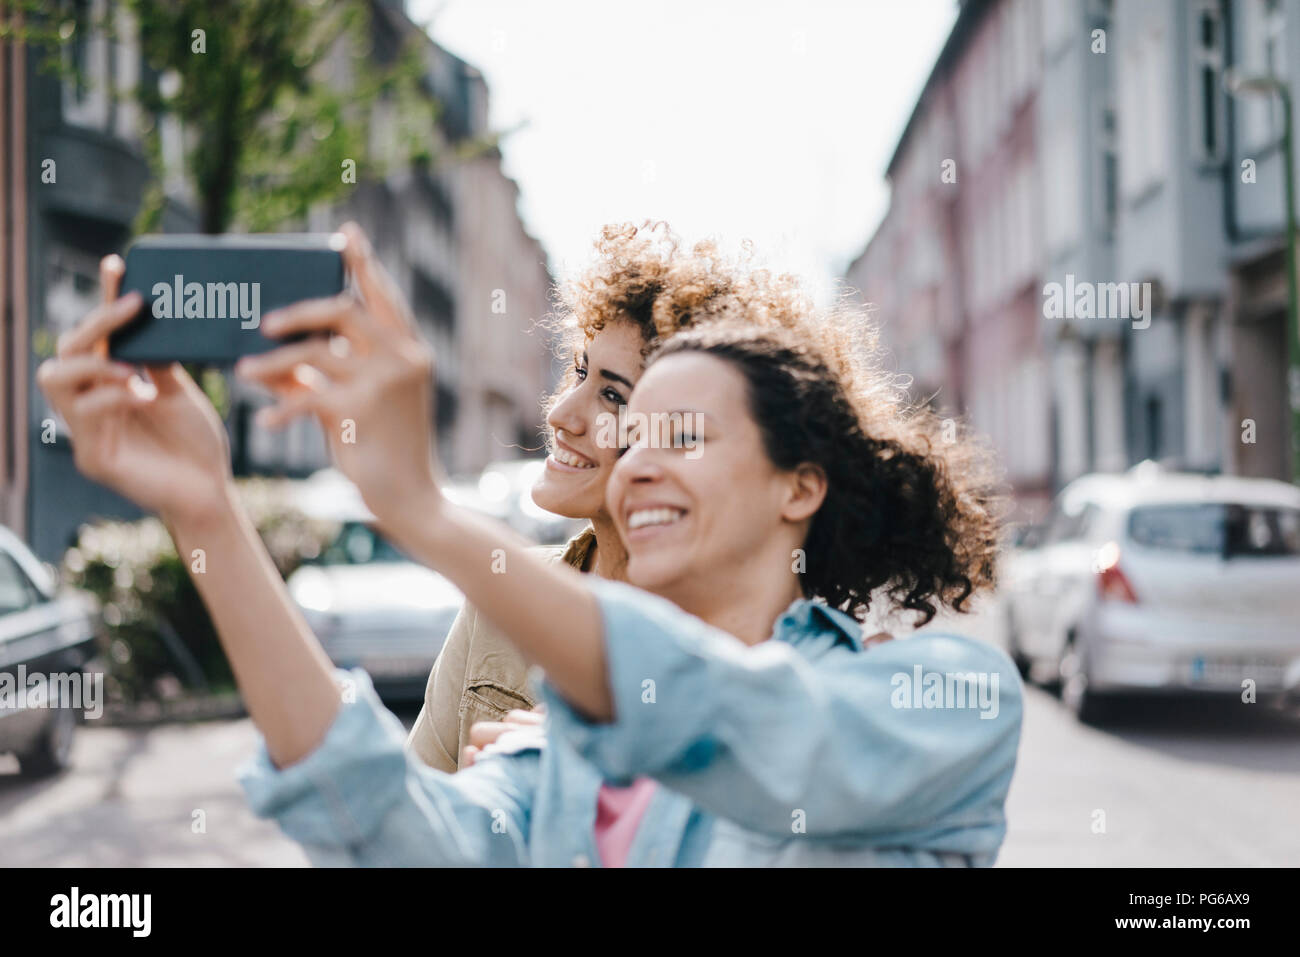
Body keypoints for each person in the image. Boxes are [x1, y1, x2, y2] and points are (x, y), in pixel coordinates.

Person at [38, 223, 1021, 866]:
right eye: (626, 436)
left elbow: (756, 731)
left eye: (672, 431)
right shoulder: (562, 760)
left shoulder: (944, 698)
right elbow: (381, 818)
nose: (628, 463)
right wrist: (207, 513)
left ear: (799, 485)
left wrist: (420, 509)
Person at [404, 222, 810, 771]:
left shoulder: (785, 650)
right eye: (579, 372)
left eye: (614, 396)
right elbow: (422, 819)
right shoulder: (504, 597)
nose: (560, 414)